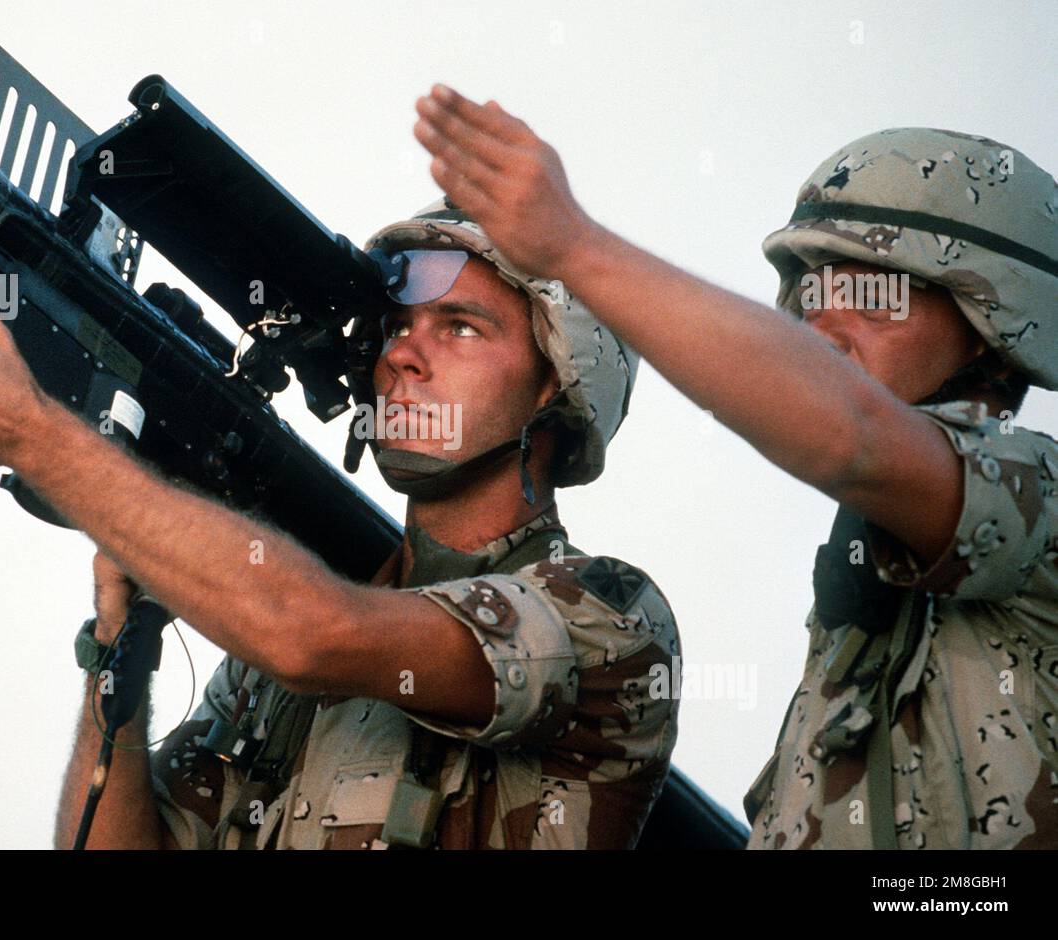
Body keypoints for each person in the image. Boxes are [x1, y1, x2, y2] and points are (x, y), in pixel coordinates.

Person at [0, 202, 680, 849]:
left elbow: (311, 633)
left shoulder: (605, 616)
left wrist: (35, 434)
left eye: (461, 327)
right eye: (396, 327)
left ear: (556, 390)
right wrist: (119, 647)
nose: (403, 356)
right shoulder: (273, 679)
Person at [413, 85, 1057, 849]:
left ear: (989, 326)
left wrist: (571, 246)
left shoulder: (1037, 506)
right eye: (810, 300)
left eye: (874, 298)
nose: (827, 329)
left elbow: (849, 432)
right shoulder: (862, 617)